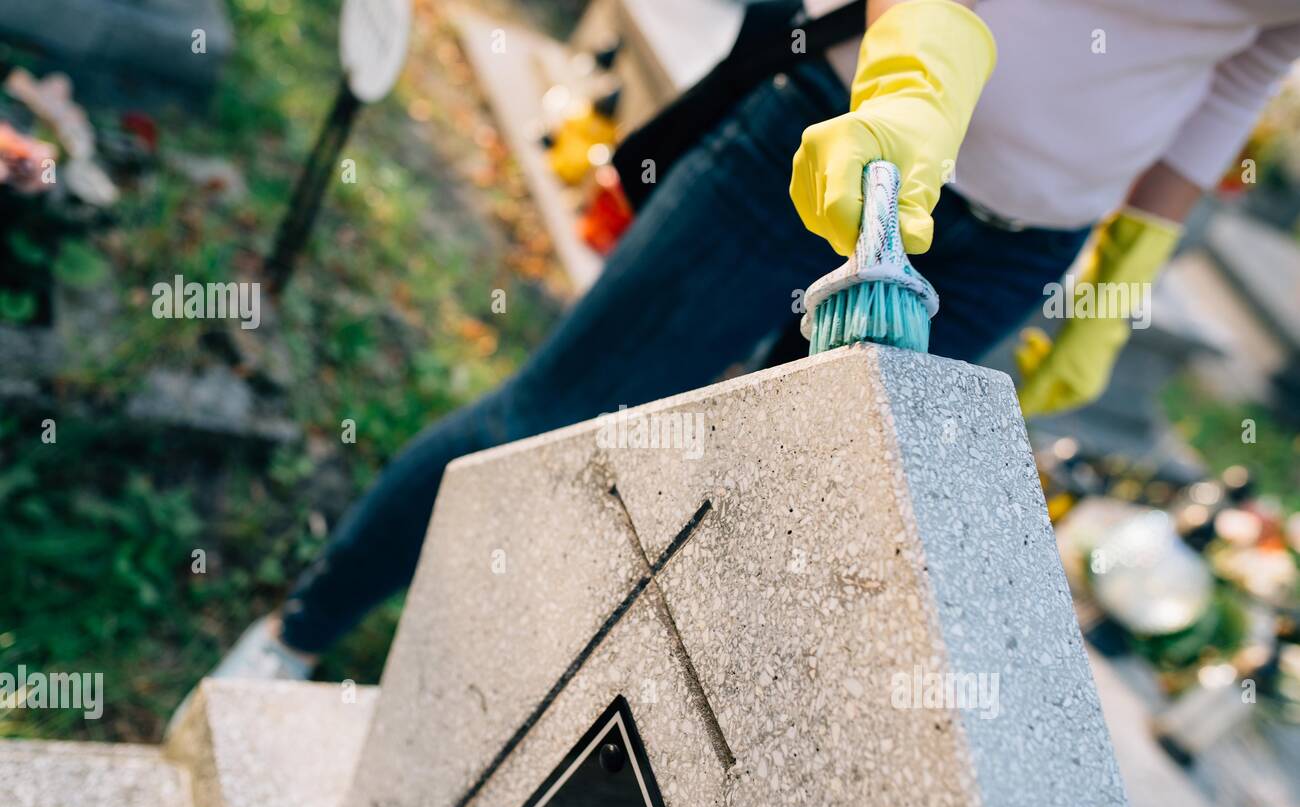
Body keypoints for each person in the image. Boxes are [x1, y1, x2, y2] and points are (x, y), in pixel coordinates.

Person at [214, 0, 1300, 679]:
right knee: (550, 419)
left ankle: (554, 701)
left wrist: (1134, 249)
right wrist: (913, 86)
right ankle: (296, 636)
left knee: (776, 508)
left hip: (1019, 246)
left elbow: (1242, 64)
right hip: (847, 123)